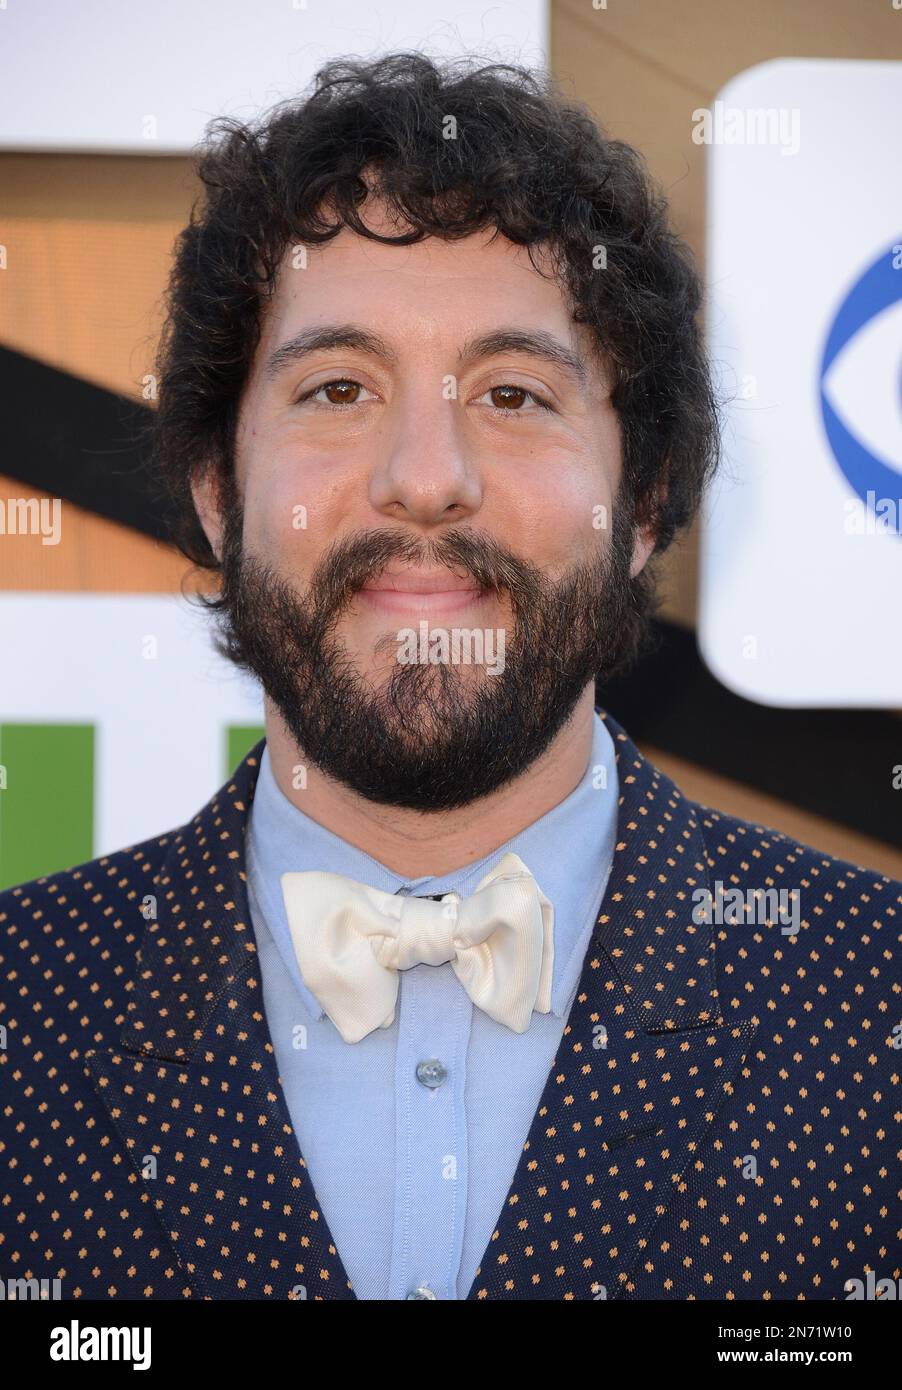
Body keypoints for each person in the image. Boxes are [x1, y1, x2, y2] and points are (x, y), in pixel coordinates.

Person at [1, 52, 898, 1303]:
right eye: (336, 387)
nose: (426, 477)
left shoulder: (872, 1010)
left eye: (513, 393)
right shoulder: (23, 1005)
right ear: (216, 494)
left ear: (640, 503)